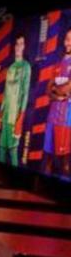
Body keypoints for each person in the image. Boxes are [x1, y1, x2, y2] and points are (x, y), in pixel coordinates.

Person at [0, 34, 31, 166]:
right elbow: (5, 95)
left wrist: (20, 120)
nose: (18, 47)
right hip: (5, 117)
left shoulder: (26, 67)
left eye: (21, 44)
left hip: (15, 118)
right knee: (1, 150)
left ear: (24, 47)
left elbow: (25, 94)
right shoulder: (10, 68)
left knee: (13, 151)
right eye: (16, 44)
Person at [42, 29, 71, 177]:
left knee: (65, 163)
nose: (68, 42)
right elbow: (48, 89)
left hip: (66, 117)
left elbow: (68, 88)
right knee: (47, 159)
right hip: (52, 115)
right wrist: (56, 94)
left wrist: (57, 90)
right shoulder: (59, 63)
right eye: (67, 38)